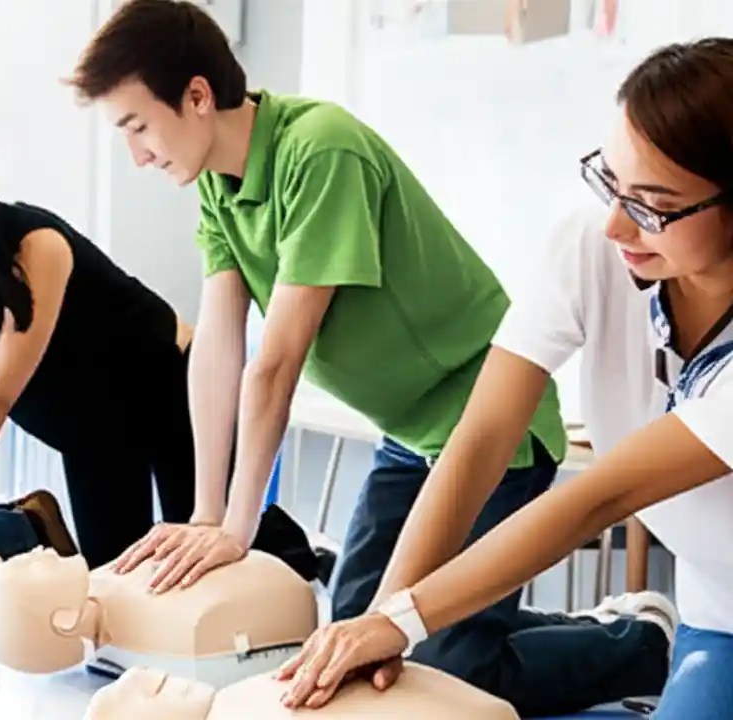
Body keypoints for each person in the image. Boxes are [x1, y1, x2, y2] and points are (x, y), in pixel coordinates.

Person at [67, 0, 663, 712]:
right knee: (349, 648)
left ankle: (641, 644)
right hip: (408, 437)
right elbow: (218, 348)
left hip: (490, 428)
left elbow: (277, 361)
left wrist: (237, 527)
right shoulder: (217, 189)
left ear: (196, 96)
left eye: (137, 126)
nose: (136, 155)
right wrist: (201, 510)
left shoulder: (321, 148)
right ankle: (526, 626)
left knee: (444, 672)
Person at [274, 39, 733, 720]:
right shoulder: (592, 248)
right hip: (716, 604)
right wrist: (381, 622)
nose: (614, 224)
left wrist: (402, 621)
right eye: (610, 181)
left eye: (650, 205)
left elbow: (596, 499)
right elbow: (482, 436)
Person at [0, 134, 318, 573]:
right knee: (113, 574)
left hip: (167, 393)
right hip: (91, 430)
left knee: (209, 550)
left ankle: (306, 565)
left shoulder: (38, 247)